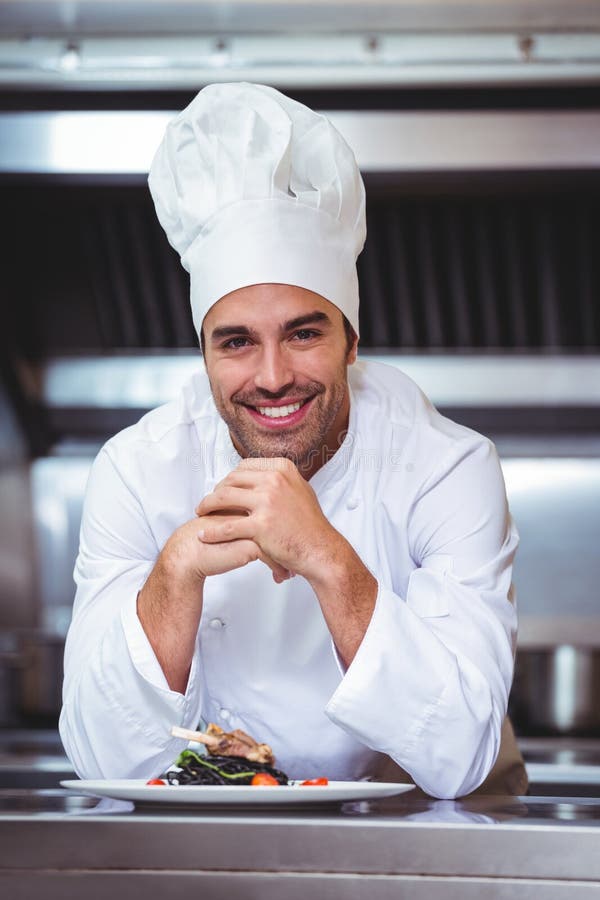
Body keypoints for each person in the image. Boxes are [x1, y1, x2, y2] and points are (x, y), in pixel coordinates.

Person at [59, 82, 527, 799]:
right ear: (205, 356)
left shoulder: (445, 466)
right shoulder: (138, 470)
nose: (273, 377)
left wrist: (327, 558)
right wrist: (176, 573)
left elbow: (461, 753)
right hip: (204, 854)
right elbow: (103, 762)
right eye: (237, 342)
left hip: (411, 851)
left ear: (351, 343)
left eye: (304, 333)